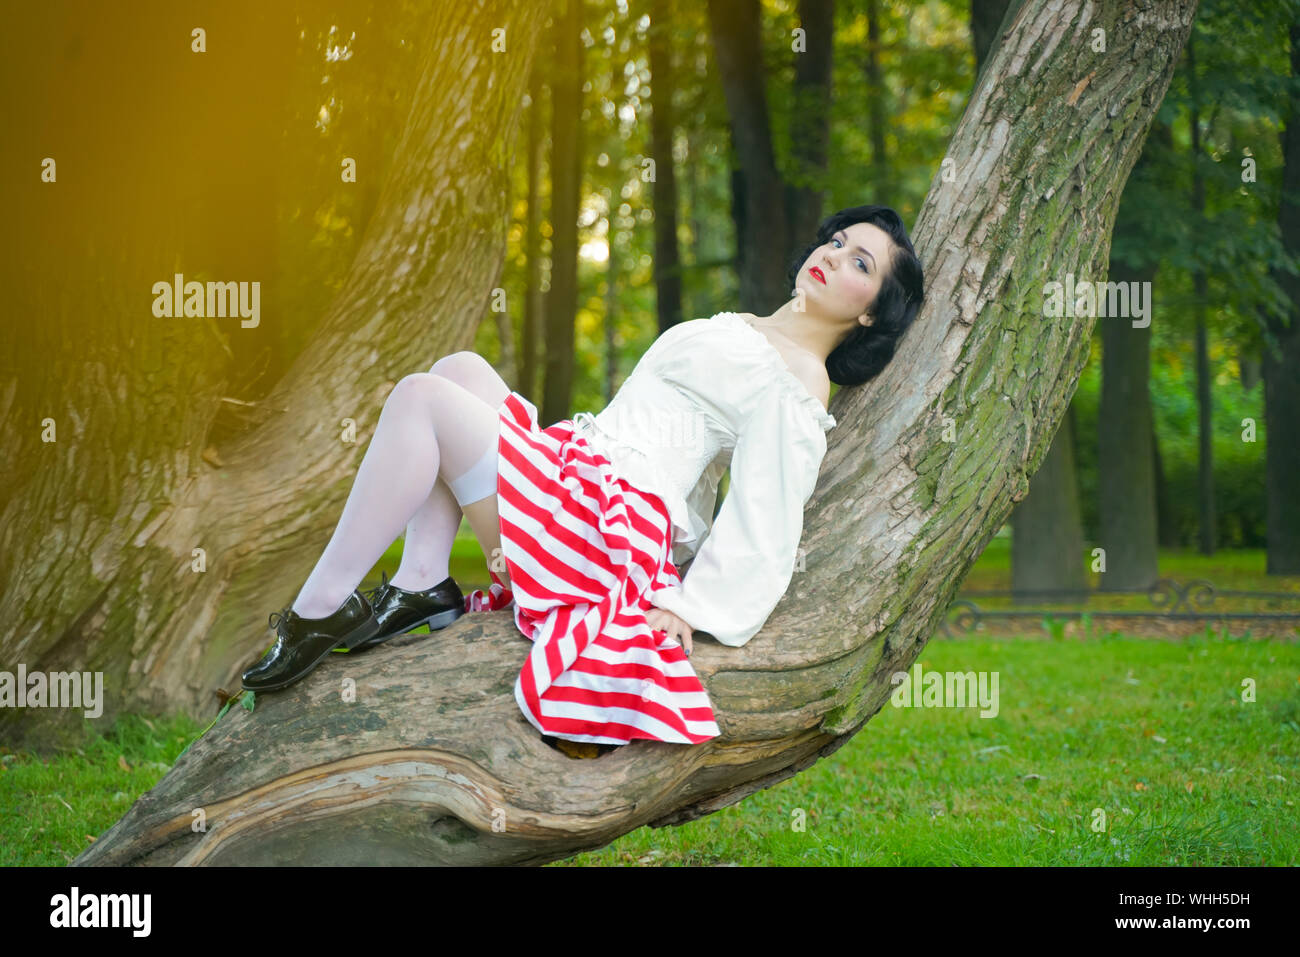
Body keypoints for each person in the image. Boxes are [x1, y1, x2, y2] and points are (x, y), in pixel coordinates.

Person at [240, 204, 924, 747]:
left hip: (604, 522)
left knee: (422, 398)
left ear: (870, 312)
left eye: (859, 261)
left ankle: (318, 606)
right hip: (584, 472)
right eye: (836, 240)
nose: (833, 254)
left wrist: (688, 607)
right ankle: (423, 583)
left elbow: (766, 517)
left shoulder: (798, 381)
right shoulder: (746, 327)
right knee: (457, 371)